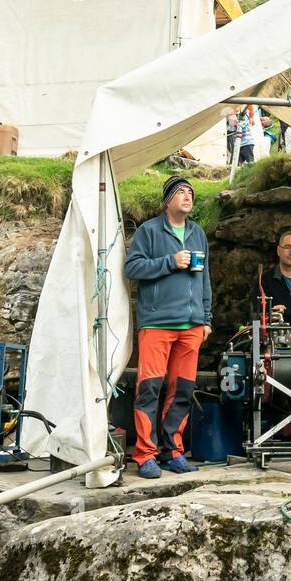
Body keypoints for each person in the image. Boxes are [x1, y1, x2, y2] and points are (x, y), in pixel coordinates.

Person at [123, 176, 212, 478]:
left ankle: (172, 452)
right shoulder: (149, 231)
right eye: (181, 192)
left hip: (192, 326)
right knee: (149, 389)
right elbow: (132, 268)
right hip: (157, 323)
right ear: (167, 200)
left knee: (183, 390)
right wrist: (170, 262)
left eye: (190, 193)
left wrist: (206, 319)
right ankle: (145, 454)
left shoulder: (198, 233)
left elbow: (205, 278)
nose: (187, 197)